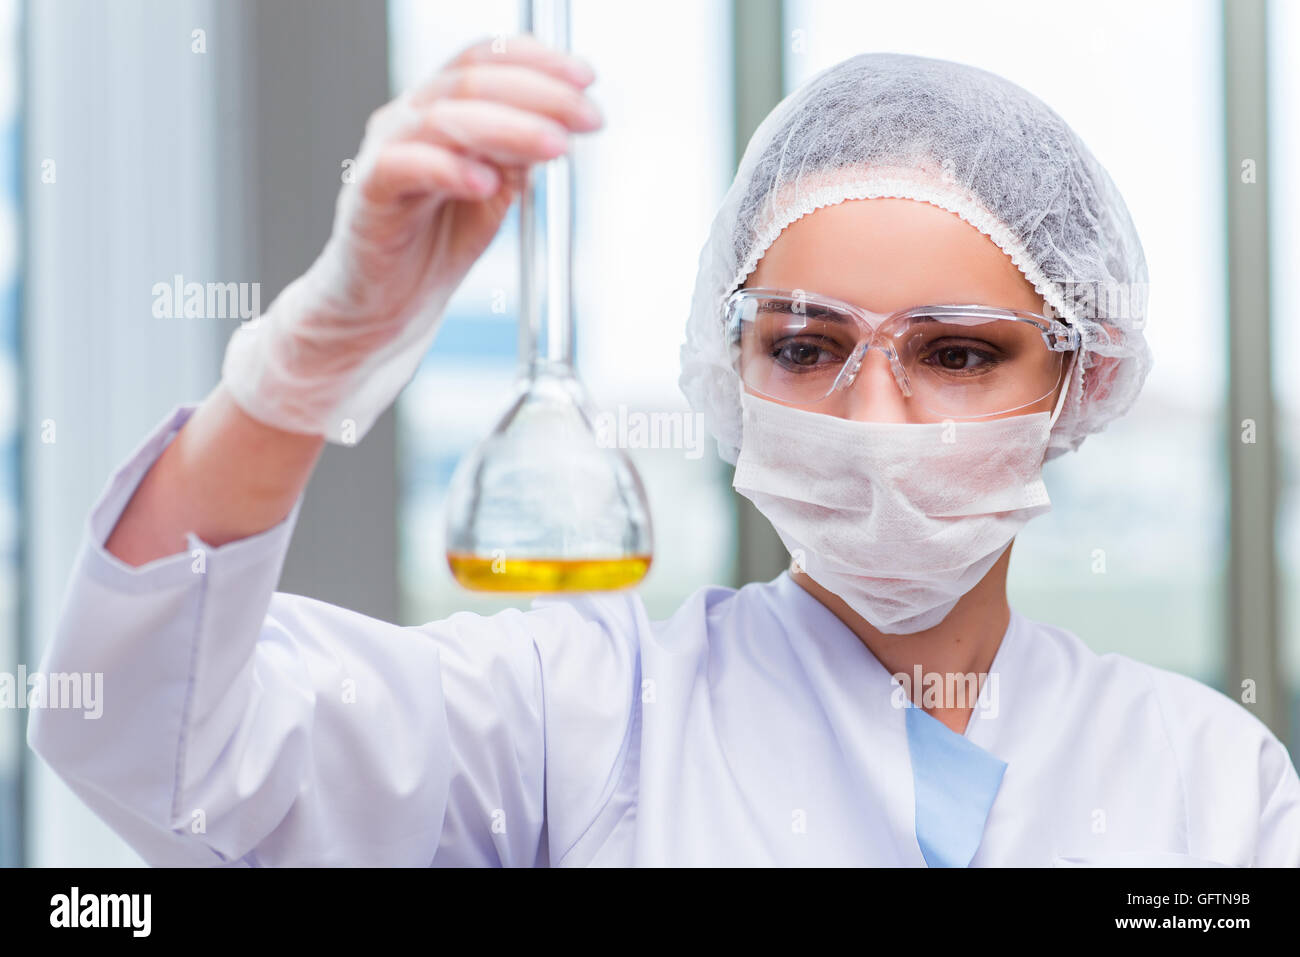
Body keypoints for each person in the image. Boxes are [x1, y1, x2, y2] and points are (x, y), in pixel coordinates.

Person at [27, 38, 1300, 867]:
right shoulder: (572, 715)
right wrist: (298, 371)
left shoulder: (1206, 780)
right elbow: (158, 745)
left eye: (956, 354)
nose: (872, 419)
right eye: (805, 348)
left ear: (1082, 373)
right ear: (726, 367)